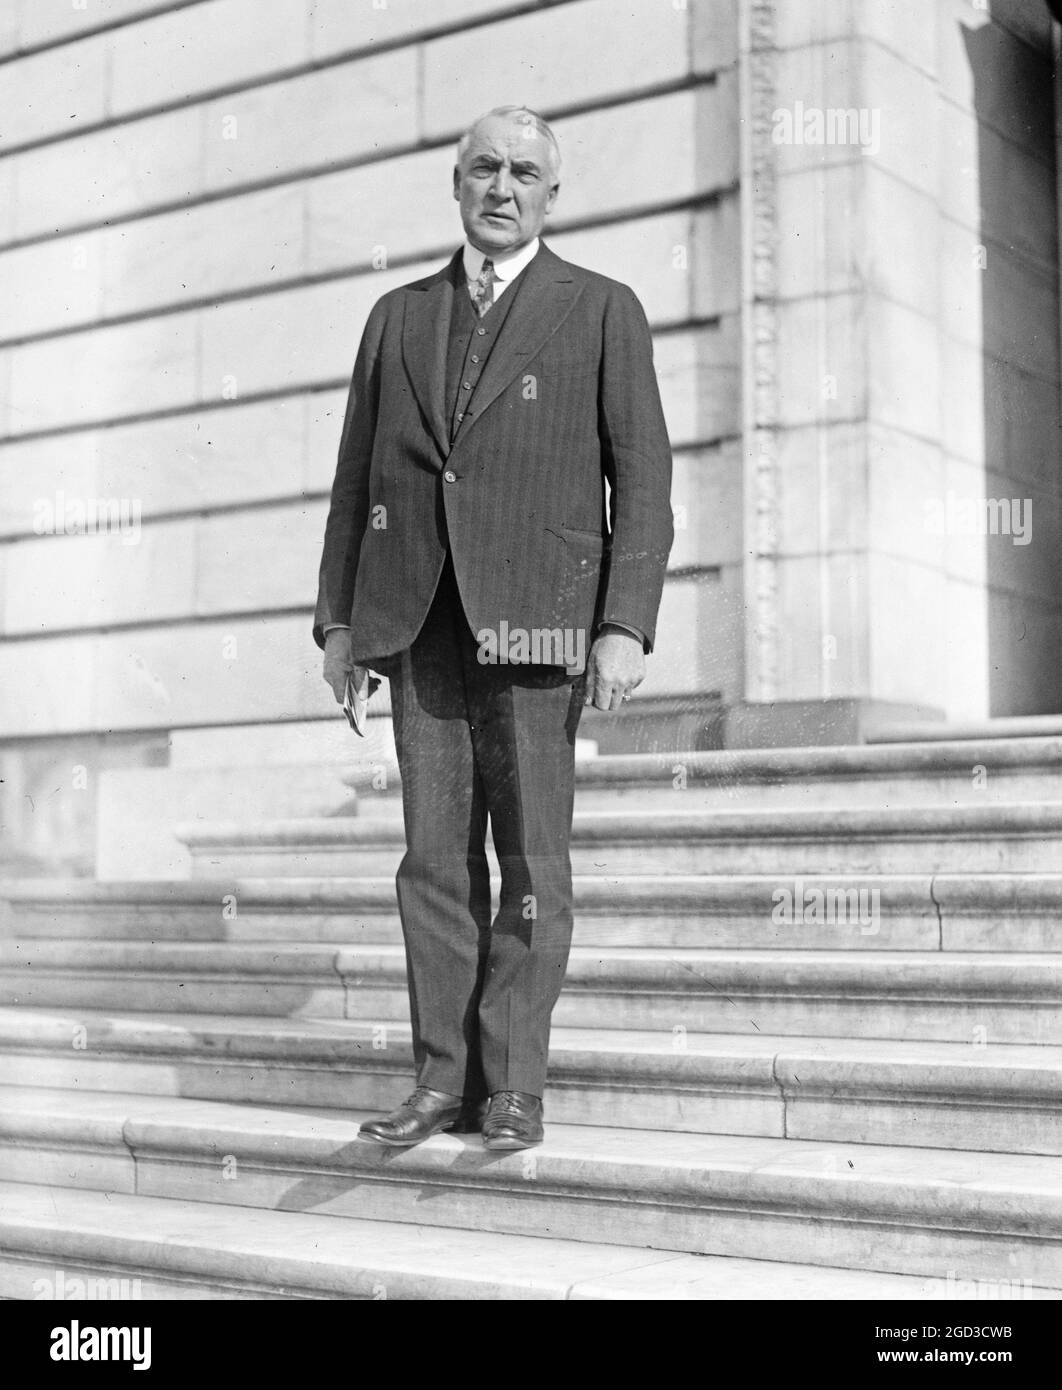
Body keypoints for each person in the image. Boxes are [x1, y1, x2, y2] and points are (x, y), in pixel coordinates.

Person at [315, 105, 673, 1150]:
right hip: (419, 620)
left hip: (541, 623)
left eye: (523, 172)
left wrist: (625, 624)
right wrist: (340, 621)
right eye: (483, 169)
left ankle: (511, 1084)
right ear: (457, 185)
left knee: (530, 862)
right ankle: (440, 1079)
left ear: (551, 196)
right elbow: (354, 481)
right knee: (431, 862)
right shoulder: (398, 315)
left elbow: (642, 479)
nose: (502, 187)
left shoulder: (602, 310)